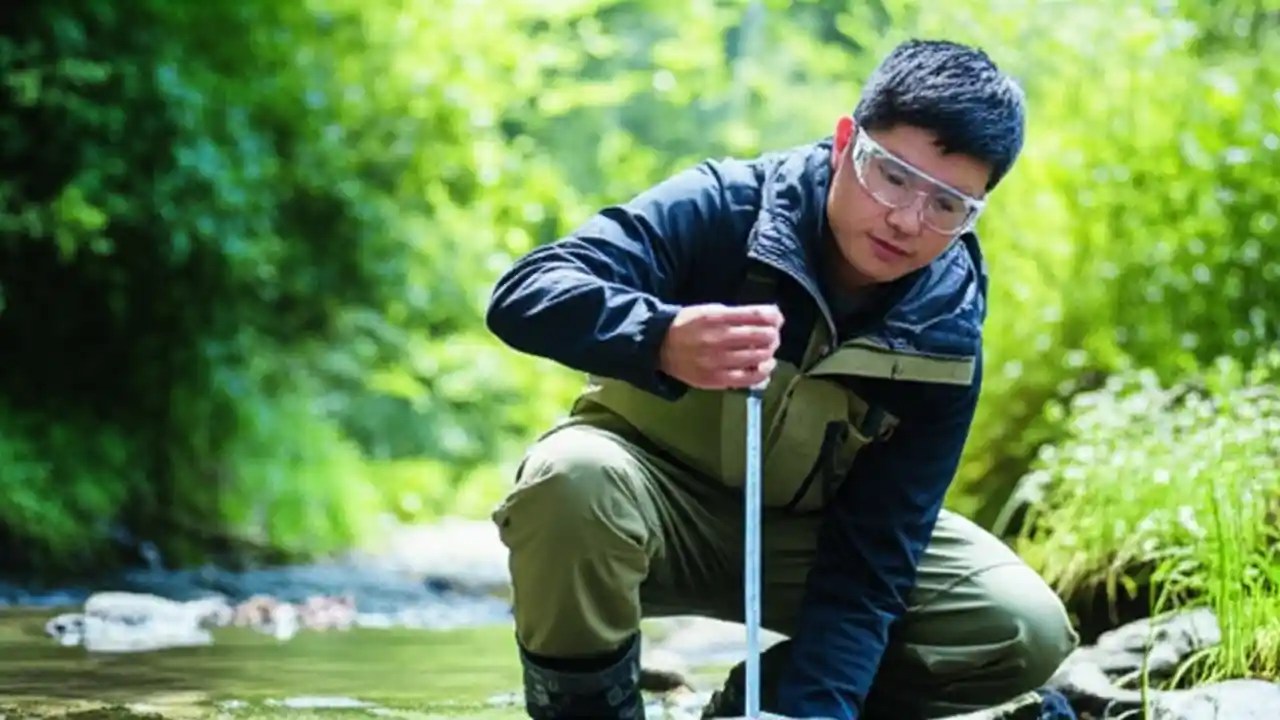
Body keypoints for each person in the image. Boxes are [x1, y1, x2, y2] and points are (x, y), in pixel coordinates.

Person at [484, 38, 1080, 720]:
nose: (908, 220)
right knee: (570, 476)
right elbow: (526, 292)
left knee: (1020, 626)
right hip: (641, 506)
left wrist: (807, 713)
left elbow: (871, 563)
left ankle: (748, 708)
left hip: (808, 541)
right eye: (892, 176)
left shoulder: (943, 332)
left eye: (948, 205)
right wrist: (660, 339)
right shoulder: (725, 206)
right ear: (846, 141)